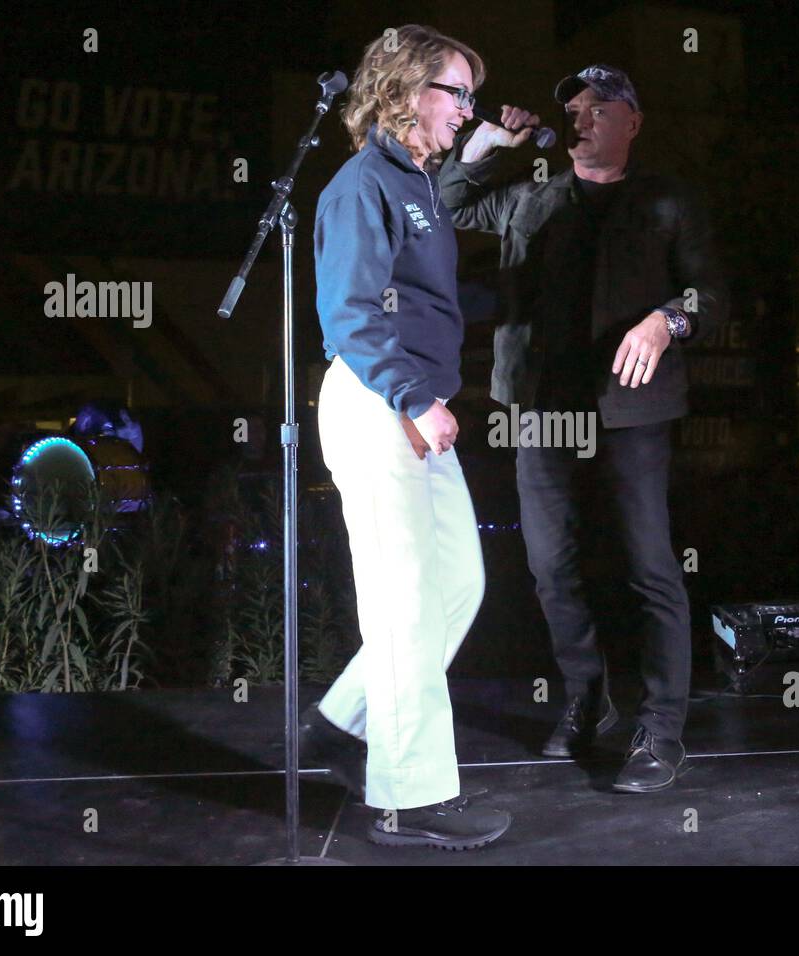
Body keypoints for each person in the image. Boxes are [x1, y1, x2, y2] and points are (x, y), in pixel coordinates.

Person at [439, 65, 728, 791]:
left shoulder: (666, 200)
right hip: (542, 411)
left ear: (633, 122)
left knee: (649, 566)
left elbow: (711, 293)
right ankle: (586, 703)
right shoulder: (530, 197)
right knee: (550, 567)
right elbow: (445, 205)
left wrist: (670, 321)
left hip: (633, 411)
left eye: (599, 109)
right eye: (572, 108)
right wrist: (488, 142)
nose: (580, 119)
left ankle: (660, 732)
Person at [301, 24, 510, 850]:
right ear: (403, 89)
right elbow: (349, 311)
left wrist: (488, 146)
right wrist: (415, 398)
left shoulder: (418, 182)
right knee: (406, 603)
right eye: (454, 92)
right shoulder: (361, 186)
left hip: (417, 407)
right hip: (380, 403)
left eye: (469, 95)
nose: (466, 109)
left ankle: (341, 726)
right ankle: (408, 797)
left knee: (458, 583)